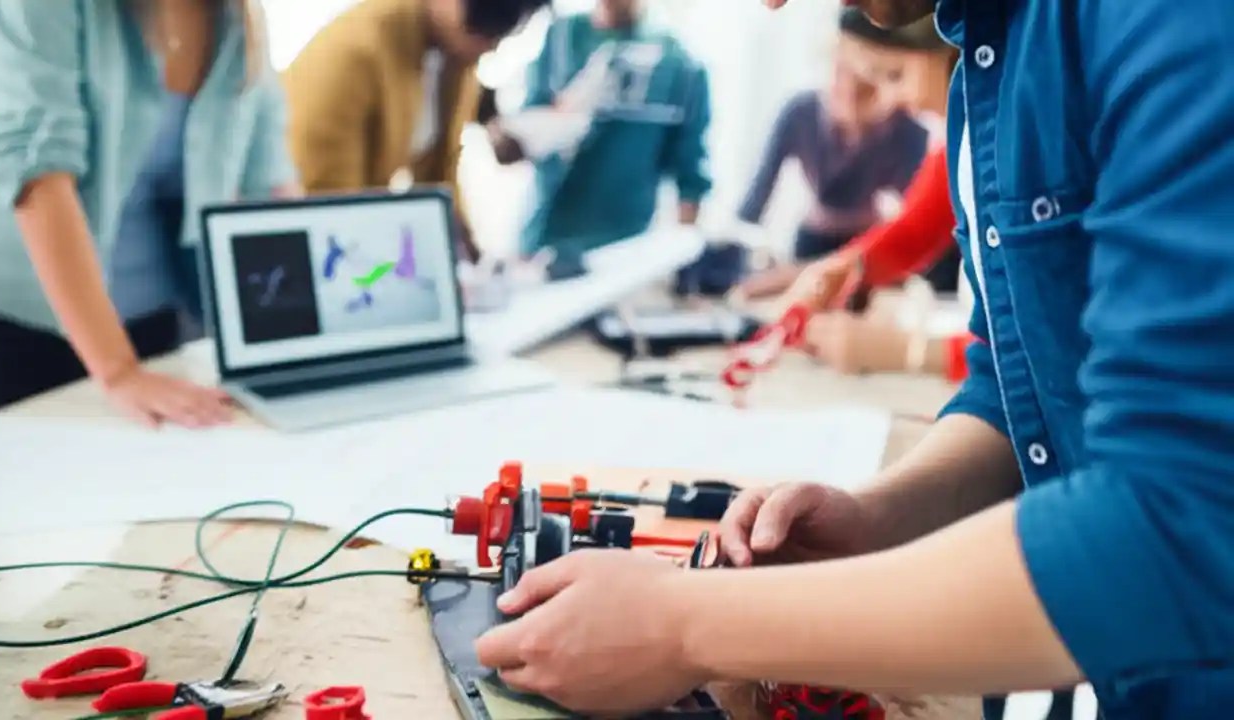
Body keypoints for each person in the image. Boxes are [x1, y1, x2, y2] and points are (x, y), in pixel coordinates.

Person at [474, 0, 1234, 719]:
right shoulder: (989, 59)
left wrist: (687, 625)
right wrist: (880, 519)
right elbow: (1023, 385)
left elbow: (1173, 528)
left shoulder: (1176, 24)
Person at [0, 0, 299, 425]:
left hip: (155, 319)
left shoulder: (236, 18)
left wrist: (299, 344)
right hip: (19, 323)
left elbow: (268, 182)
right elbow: (40, 173)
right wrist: (119, 372)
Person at [282, 0, 547, 262]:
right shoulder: (353, 50)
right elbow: (330, 203)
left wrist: (472, 259)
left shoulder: (455, 58)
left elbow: (440, 180)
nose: (489, 46)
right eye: (486, 21)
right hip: (312, 247)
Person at [488, 0, 713, 258]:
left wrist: (682, 265)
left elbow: (691, 175)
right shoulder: (560, 38)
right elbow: (518, 142)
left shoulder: (680, 65)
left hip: (621, 252)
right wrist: (515, 131)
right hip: (542, 242)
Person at [738, 13, 929, 265]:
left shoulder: (908, 128)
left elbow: (919, 211)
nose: (849, 89)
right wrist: (732, 250)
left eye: (863, 84)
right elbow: (757, 195)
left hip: (869, 239)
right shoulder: (799, 112)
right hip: (811, 238)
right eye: (840, 74)